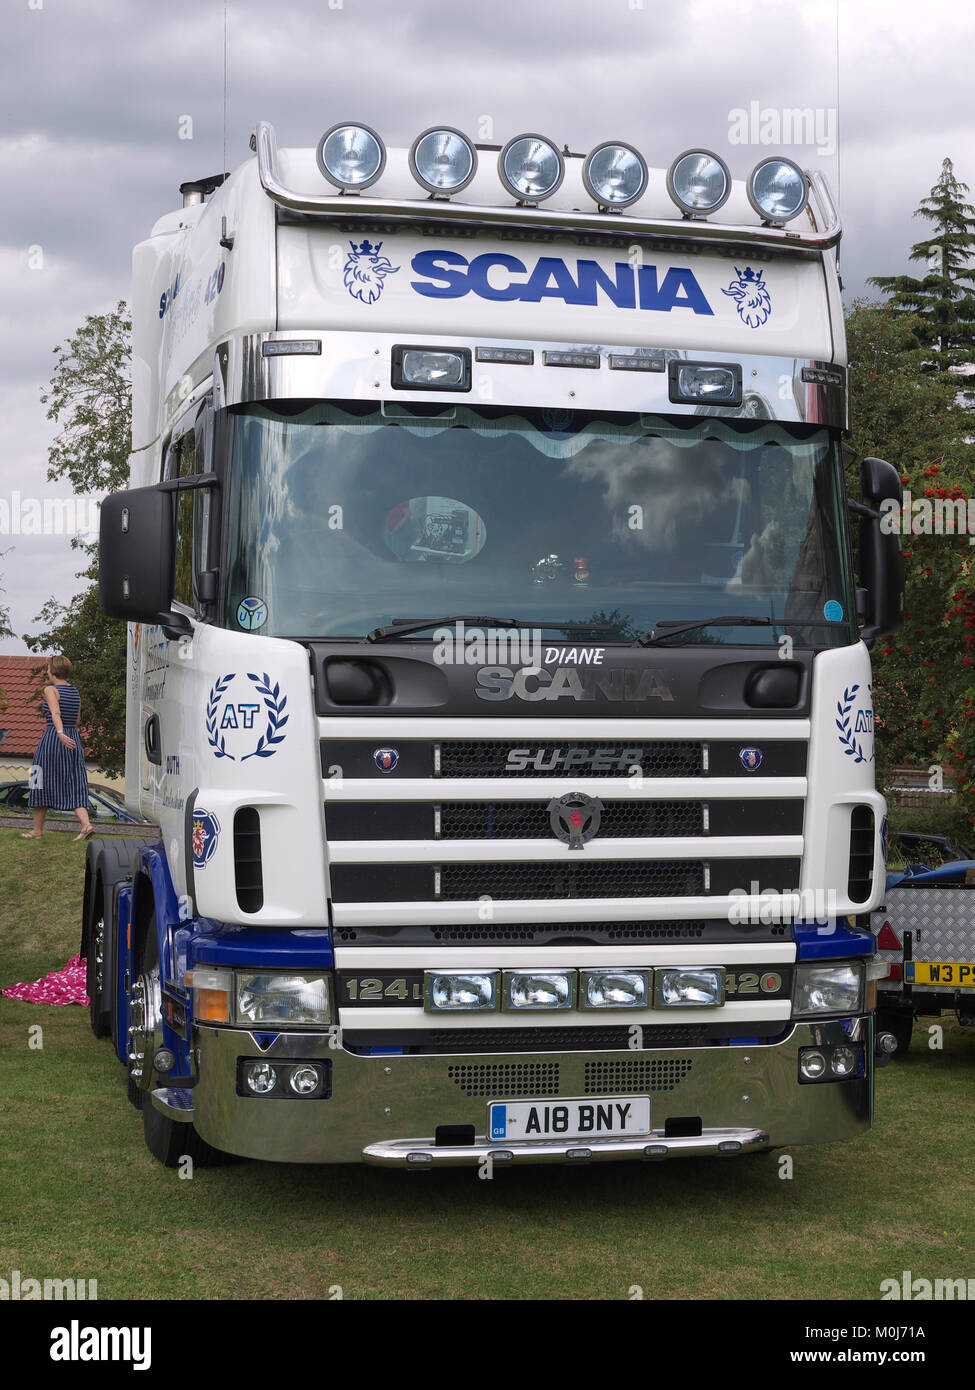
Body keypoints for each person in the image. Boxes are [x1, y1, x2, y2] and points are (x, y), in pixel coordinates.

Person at [21, 655, 93, 842]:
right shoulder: (75, 691)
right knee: (74, 780)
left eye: (47, 668)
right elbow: (77, 720)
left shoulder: (50, 689)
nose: (46, 671)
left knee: (38, 777)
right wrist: (67, 731)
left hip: (54, 737)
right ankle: (86, 825)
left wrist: (60, 732)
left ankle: (37, 830)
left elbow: (55, 713)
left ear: (52, 671)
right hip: (73, 738)